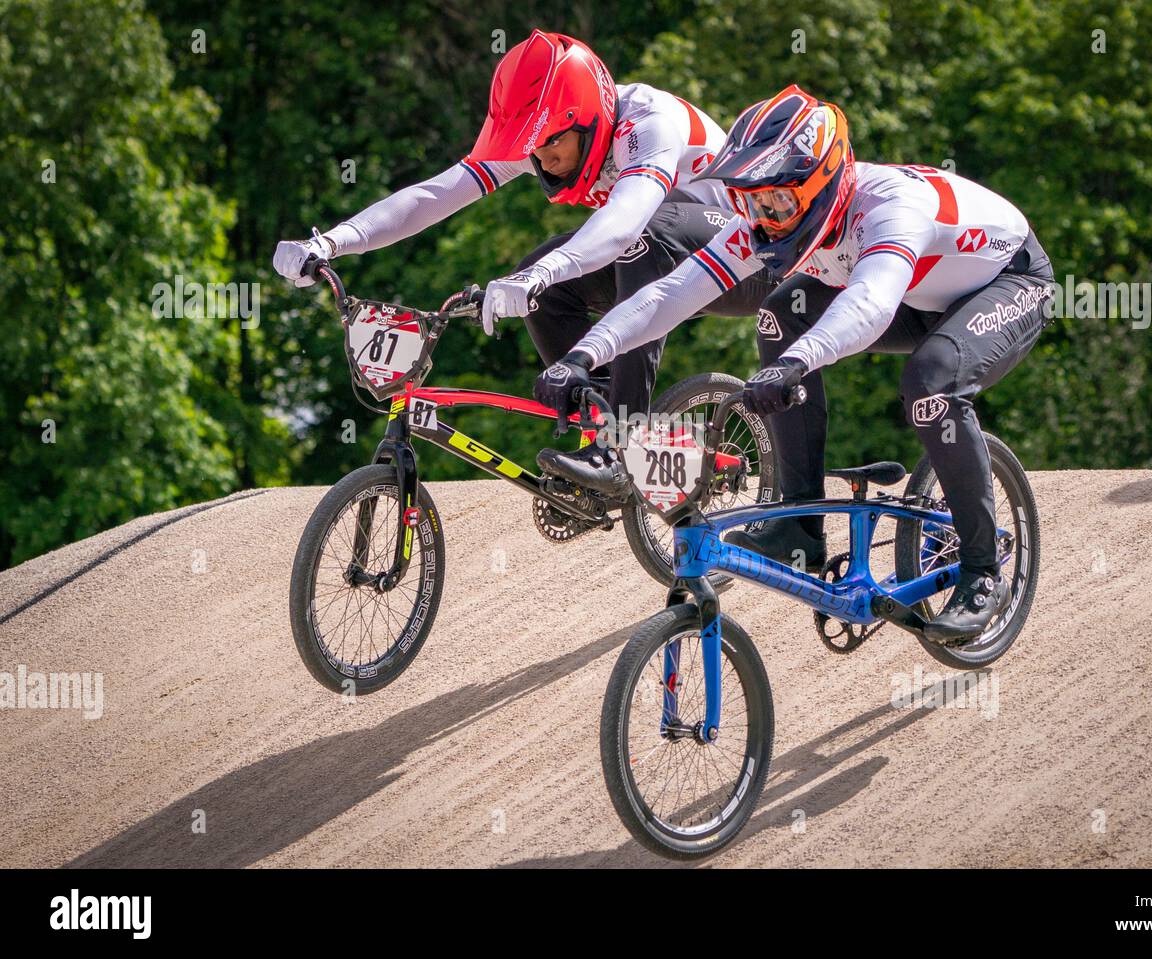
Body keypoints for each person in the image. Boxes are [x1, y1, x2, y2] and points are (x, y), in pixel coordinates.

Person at [533, 85, 1055, 643]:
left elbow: (871, 304)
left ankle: (982, 573)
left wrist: (796, 364)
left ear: (822, 181)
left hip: (1007, 281)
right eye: (752, 203)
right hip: (913, 292)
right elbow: (669, 295)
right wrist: (585, 354)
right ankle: (799, 529)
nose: (766, 220)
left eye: (778, 203)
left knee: (931, 383)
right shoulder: (765, 219)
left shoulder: (889, 209)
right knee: (779, 315)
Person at [274, 29, 772, 489]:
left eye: (551, 142)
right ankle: (602, 420)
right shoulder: (549, 129)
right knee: (545, 287)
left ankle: (619, 448)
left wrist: (541, 273)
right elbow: (435, 195)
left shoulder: (648, 123)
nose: (542, 159)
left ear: (590, 118)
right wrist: (332, 242)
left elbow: (623, 223)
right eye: (532, 147)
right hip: (662, 258)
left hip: (749, 257)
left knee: (623, 244)